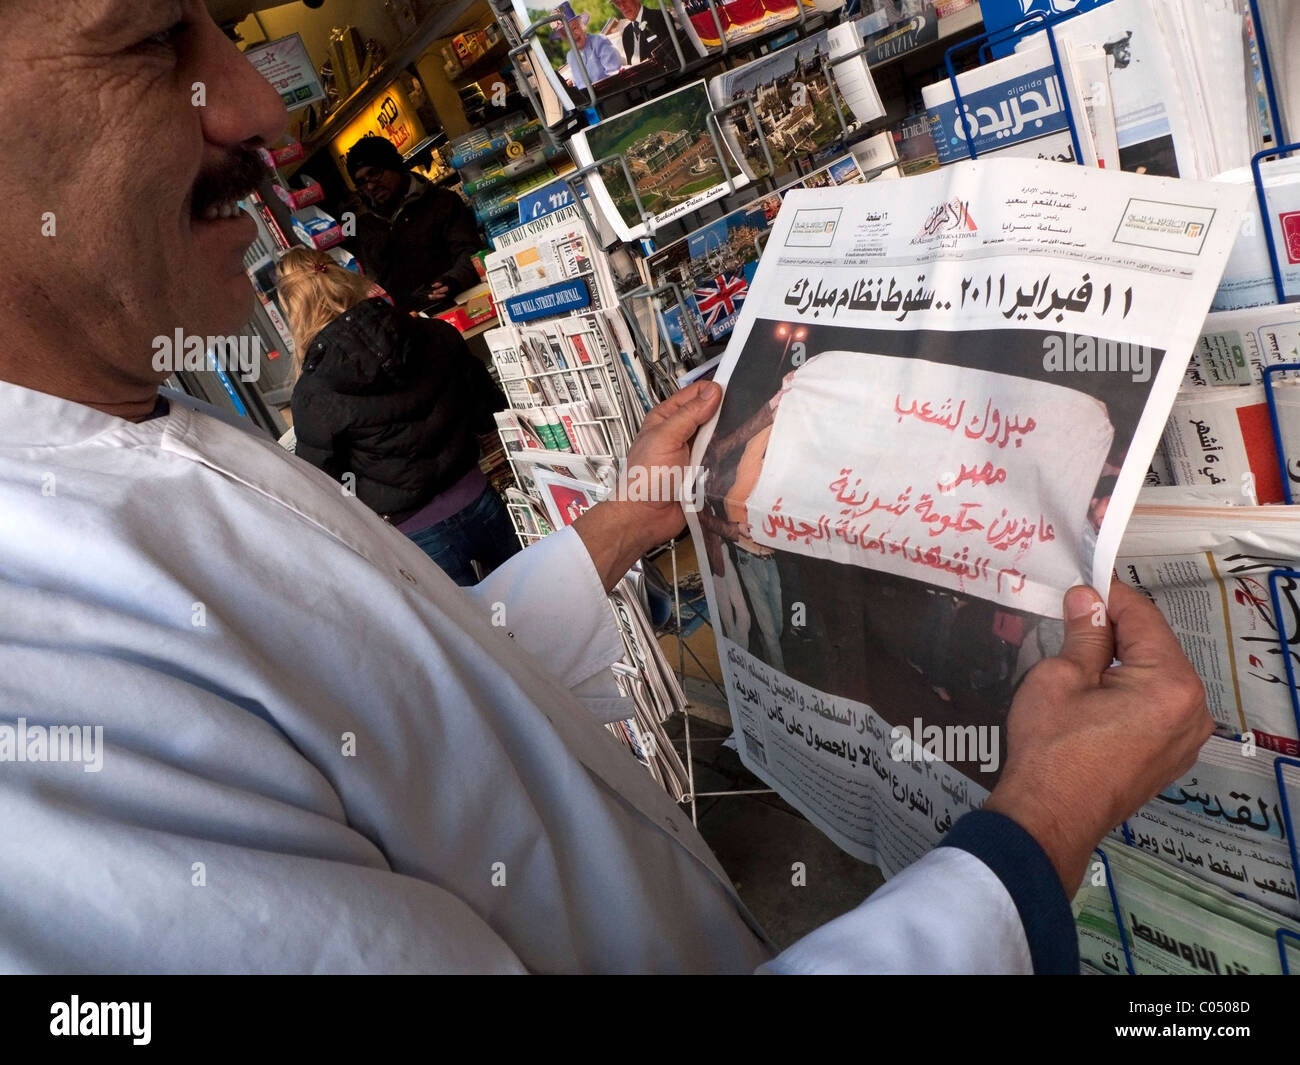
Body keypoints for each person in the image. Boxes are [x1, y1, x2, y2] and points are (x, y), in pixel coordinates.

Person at [0, 0, 1214, 973]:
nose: (260, 107)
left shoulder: (134, 425)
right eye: (152, 39)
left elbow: (390, 711)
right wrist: (1036, 830)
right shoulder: (38, 704)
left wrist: (617, 530)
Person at [276, 247, 520, 586]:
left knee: (479, 635)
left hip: (416, 536)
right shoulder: (432, 331)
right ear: (346, 278)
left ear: (294, 309)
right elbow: (487, 409)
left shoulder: (313, 394)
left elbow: (324, 487)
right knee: (540, 599)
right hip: (479, 495)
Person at [344, 134, 482, 313]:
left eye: (374, 173)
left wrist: (453, 280)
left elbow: (470, 252)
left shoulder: (442, 202)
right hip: (406, 325)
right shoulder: (363, 228)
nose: (370, 186)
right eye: (361, 182)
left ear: (394, 166)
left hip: (459, 307)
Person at [556, 4, 622, 89]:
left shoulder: (599, 41)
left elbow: (615, 73)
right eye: (567, 33)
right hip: (589, 100)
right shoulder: (571, 56)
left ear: (581, 26)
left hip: (611, 92)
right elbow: (579, 85)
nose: (573, 35)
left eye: (574, 28)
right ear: (565, 38)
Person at [611, 0, 674, 65]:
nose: (622, 7)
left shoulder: (659, 17)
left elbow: (669, 55)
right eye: (617, 3)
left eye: (624, 1)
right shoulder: (626, 33)